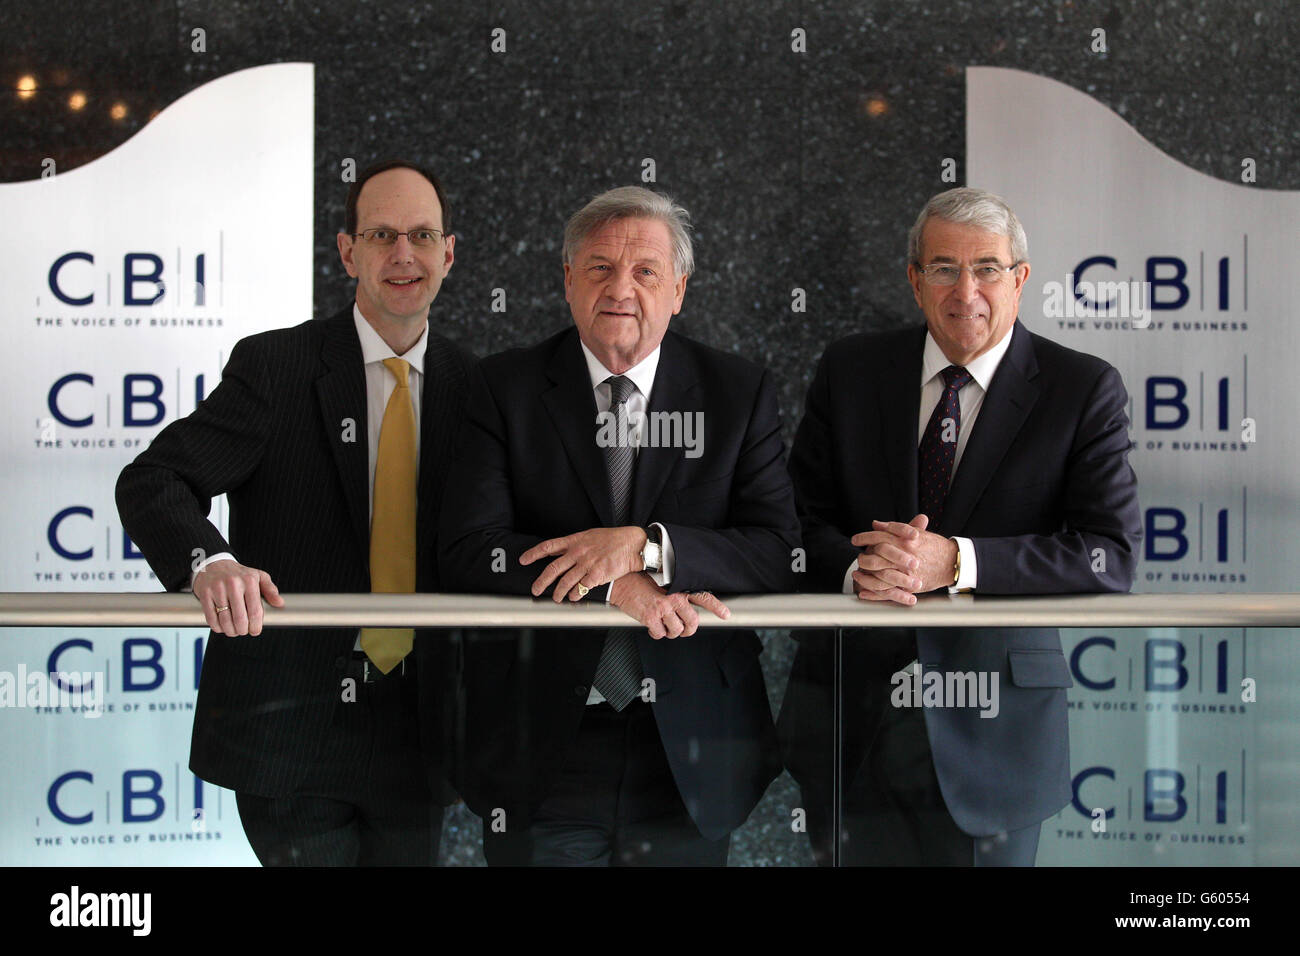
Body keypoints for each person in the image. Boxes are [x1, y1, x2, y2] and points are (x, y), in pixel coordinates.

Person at [115, 159, 475, 865]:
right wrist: (209, 562)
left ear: (449, 253)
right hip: (290, 731)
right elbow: (155, 478)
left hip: (421, 735)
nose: (404, 254)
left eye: (422, 235)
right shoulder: (276, 368)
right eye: (381, 235)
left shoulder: (477, 385)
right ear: (348, 252)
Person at [778, 186, 1141, 866]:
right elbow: (794, 524)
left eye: (987, 269)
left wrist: (960, 564)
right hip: (849, 724)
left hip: (996, 738)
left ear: (1020, 279)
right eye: (944, 268)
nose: (965, 289)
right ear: (916, 281)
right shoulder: (851, 371)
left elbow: (1108, 555)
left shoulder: (1080, 388)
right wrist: (862, 571)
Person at [439, 185, 800, 866]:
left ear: (680, 290)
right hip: (540, 743)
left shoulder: (737, 393)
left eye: (645, 271)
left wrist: (647, 549)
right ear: (569, 281)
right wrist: (612, 587)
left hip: (693, 749)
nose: (621, 289)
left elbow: (778, 550)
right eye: (600, 268)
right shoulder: (504, 389)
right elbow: (468, 550)